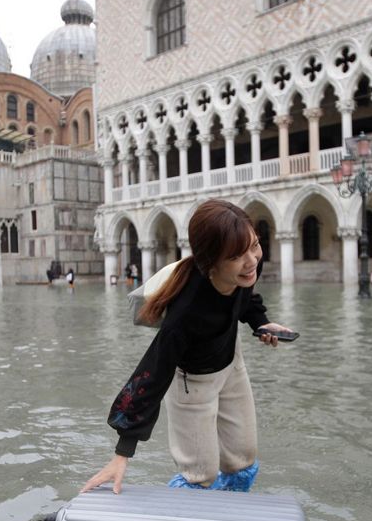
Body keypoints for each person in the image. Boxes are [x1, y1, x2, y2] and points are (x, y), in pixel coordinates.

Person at [82, 199, 295, 496]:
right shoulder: (185, 314)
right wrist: (122, 453)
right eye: (237, 255)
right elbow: (152, 375)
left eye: (254, 246)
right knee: (200, 475)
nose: (252, 260)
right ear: (211, 261)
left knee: (243, 459)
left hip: (231, 364)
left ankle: (229, 513)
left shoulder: (240, 275)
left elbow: (245, 299)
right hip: (192, 385)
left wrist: (262, 324)